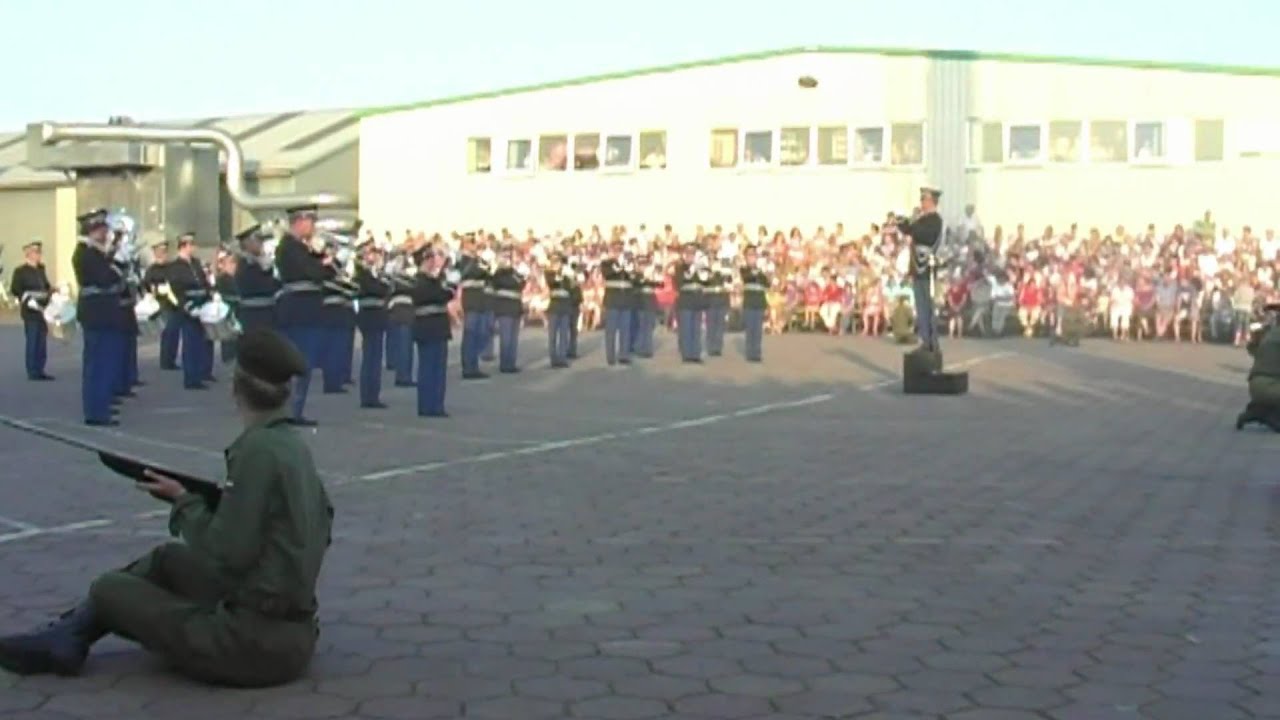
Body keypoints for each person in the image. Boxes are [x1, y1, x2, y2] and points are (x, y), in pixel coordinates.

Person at [0, 327, 334, 687]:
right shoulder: (292, 446)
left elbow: (227, 552)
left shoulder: (256, 450)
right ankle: (68, 636)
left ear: (235, 387)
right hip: (292, 630)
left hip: (249, 643)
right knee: (168, 560)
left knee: (108, 589)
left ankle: (67, 636)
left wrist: (184, 502)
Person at [274, 205, 328, 426]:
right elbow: (315, 273)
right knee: (297, 363)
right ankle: (288, 411)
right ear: (299, 221)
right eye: (311, 221)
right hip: (298, 311)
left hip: (308, 311)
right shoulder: (289, 247)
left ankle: (294, 410)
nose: (313, 226)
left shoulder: (303, 248)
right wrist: (321, 262)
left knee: (304, 364)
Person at [73, 209, 124, 426]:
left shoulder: (96, 253)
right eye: (102, 229)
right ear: (92, 231)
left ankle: (101, 405)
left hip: (103, 313)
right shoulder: (86, 253)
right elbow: (106, 278)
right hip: (97, 314)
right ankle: (96, 411)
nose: (106, 233)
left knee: (104, 362)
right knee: (98, 364)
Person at [411, 249, 455, 417]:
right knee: (428, 369)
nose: (432, 262)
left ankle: (435, 404)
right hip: (428, 328)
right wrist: (447, 289)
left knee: (437, 369)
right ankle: (428, 405)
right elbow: (440, 295)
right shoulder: (420, 281)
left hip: (437, 327)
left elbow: (446, 293)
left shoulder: (433, 280)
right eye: (429, 259)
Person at [901, 187, 944, 353]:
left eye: (924, 200)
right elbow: (910, 229)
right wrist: (903, 223)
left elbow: (923, 234)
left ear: (931, 201)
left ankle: (932, 341)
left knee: (929, 305)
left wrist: (912, 227)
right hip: (917, 268)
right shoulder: (921, 219)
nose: (921, 203)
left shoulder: (935, 220)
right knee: (920, 306)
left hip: (928, 268)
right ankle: (924, 339)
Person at [168, 233, 213, 390]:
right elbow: (175, 289)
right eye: (191, 244)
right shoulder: (175, 266)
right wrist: (186, 306)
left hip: (202, 304)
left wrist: (209, 297)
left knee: (201, 342)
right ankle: (191, 377)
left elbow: (204, 283)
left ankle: (201, 372)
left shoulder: (195, 263)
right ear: (184, 246)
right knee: (190, 342)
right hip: (188, 306)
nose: (194, 247)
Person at [354, 239, 392, 408]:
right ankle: (368, 396)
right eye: (371, 253)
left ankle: (373, 394)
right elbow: (377, 289)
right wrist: (380, 282)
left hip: (377, 317)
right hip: (369, 317)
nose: (375, 256)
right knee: (371, 357)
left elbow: (389, 287)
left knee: (375, 357)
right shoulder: (361, 273)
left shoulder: (375, 273)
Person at [10, 240, 54, 381]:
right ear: (28, 254)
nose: (38, 255)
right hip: (30, 309)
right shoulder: (20, 271)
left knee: (42, 340)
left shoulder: (41, 269)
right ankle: (32, 370)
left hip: (43, 309)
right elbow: (15, 289)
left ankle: (40, 368)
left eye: (39, 252)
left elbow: (46, 286)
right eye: (36, 252)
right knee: (33, 340)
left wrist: (52, 292)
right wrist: (27, 298)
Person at [232, 225, 280, 334]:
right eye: (258, 241)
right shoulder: (245, 264)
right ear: (247, 243)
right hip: (254, 316)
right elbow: (263, 286)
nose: (261, 244)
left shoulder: (259, 262)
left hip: (266, 315)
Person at [456, 236, 491, 379]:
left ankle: (474, 363)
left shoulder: (478, 260)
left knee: (481, 333)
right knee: (471, 334)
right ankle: (469, 367)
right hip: (470, 299)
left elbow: (488, 274)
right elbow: (469, 273)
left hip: (480, 298)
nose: (475, 246)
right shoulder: (463, 260)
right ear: (465, 245)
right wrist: (478, 264)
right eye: (472, 243)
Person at [142, 241, 181, 371]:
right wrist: (155, 290)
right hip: (161, 304)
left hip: (173, 304)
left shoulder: (171, 267)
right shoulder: (152, 270)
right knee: (168, 332)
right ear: (155, 253)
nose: (162, 254)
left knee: (174, 333)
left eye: (164, 251)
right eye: (159, 251)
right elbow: (146, 286)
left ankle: (171, 360)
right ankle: (166, 361)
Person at [488, 247, 526, 373]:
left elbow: (521, 284)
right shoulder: (499, 273)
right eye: (505, 257)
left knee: (513, 338)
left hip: (515, 307)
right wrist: (504, 269)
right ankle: (505, 364)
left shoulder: (514, 272)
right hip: (504, 308)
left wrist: (513, 272)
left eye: (509, 257)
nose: (508, 260)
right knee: (506, 338)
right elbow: (500, 282)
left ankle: (511, 362)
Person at [599, 241, 634, 366]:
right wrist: (618, 265)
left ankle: (624, 355)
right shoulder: (606, 263)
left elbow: (633, 279)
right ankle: (611, 356)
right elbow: (607, 274)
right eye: (616, 250)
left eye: (620, 250)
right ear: (611, 251)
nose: (618, 252)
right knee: (611, 330)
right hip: (612, 300)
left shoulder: (628, 263)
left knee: (625, 329)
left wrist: (629, 268)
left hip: (626, 299)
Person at [674, 243, 705, 363]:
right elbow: (679, 282)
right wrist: (690, 270)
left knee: (696, 329)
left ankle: (695, 354)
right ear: (685, 255)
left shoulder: (700, 268)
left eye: (693, 254)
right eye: (689, 254)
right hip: (685, 301)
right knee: (686, 329)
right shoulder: (680, 267)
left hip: (697, 300)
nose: (690, 257)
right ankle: (686, 354)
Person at [739, 246, 769, 362]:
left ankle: (756, 353)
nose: (752, 258)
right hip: (749, 301)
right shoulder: (744, 269)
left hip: (760, 301)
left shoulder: (760, 271)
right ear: (746, 258)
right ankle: (750, 353)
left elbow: (766, 284)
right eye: (749, 256)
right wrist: (756, 272)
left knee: (758, 330)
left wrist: (762, 273)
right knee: (750, 328)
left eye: (754, 255)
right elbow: (747, 278)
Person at [544, 252, 574, 368]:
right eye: (554, 261)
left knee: (563, 334)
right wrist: (557, 273)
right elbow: (551, 283)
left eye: (558, 261)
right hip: (555, 304)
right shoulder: (549, 272)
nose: (556, 263)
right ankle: (553, 358)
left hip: (565, 304)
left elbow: (570, 287)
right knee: (552, 335)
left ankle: (562, 358)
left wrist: (566, 275)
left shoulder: (566, 274)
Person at [213, 250, 239, 364]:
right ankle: (229, 359)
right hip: (227, 310)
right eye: (231, 263)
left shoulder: (233, 277)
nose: (234, 266)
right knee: (229, 338)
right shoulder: (223, 278)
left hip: (234, 310)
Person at [632, 256, 659, 358]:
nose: (643, 266)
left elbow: (659, 284)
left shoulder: (651, 274)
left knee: (650, 324)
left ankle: (646, 347)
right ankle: (641, 347)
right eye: (641, 264)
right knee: (642, 325)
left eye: (645, 264)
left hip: (650, 299)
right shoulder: (635, 275)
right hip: (640, 300)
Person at [704, 260, 731, 356]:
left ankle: (716, 348)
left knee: (717, 327)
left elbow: (727, 291)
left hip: (719, 305)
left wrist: (727, 306)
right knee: (714, 327)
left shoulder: (725, 278)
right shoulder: (707, 278)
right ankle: (713, 348)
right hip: (712, 305)